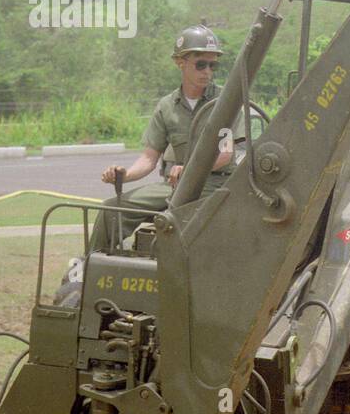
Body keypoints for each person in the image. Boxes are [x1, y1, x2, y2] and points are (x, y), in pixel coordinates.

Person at [89, 25, 244, 252]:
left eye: (213, 65)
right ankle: (91, 267)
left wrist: (189, 169)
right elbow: (149, 159)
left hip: (215, 185)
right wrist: (124, 175)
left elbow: (225, 154)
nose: (207, 72)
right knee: (112, 209)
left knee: (180, 220)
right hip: (176, 186)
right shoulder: (167, 106)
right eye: (200, 64)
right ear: (180, 63)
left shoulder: (225, 101)